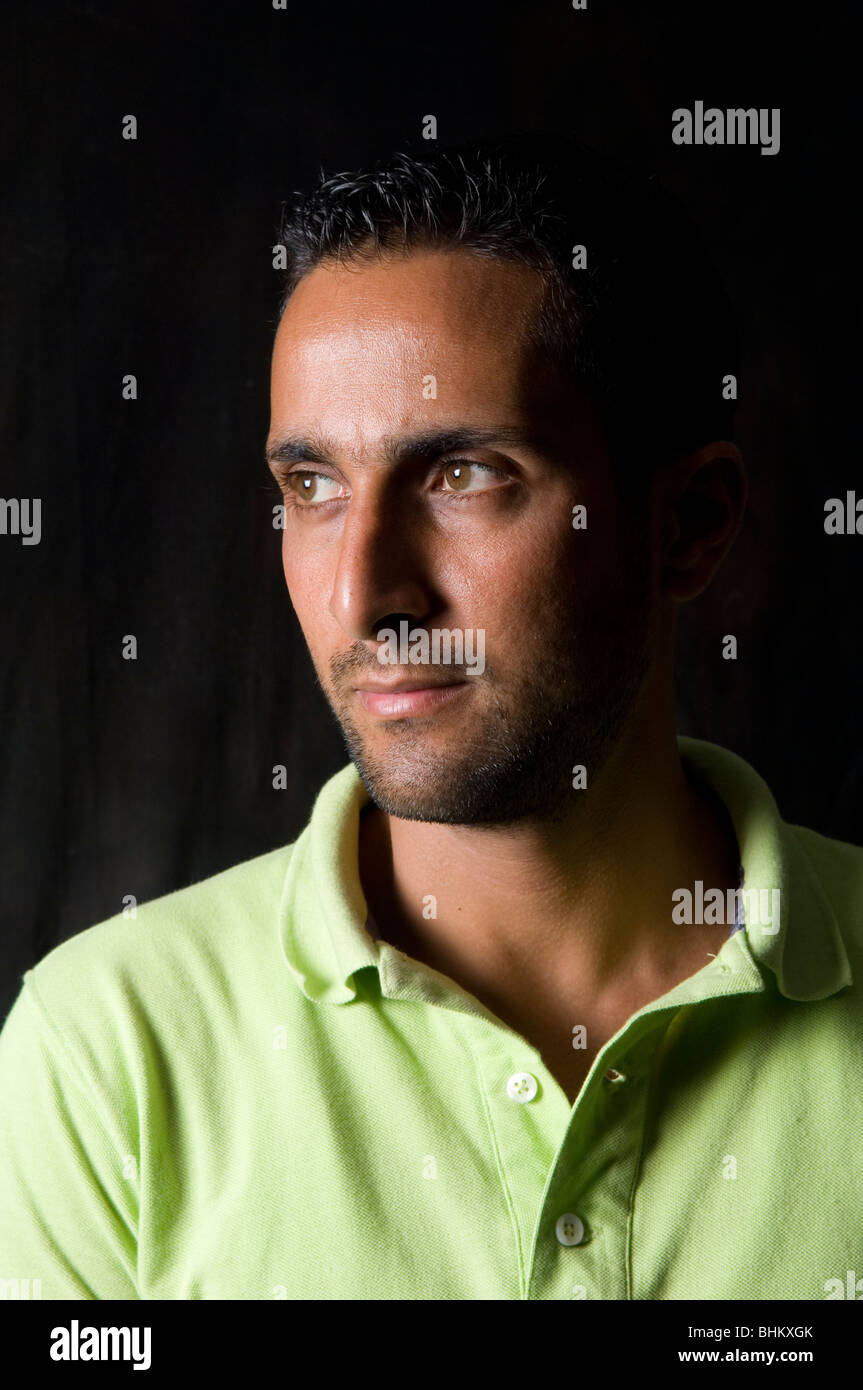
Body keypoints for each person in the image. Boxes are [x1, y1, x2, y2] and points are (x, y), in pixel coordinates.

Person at [1, 134, 861, 1302]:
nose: (364, 595)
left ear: (691, 522)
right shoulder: (105, 1051)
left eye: (463, 473)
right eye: (310, 487)